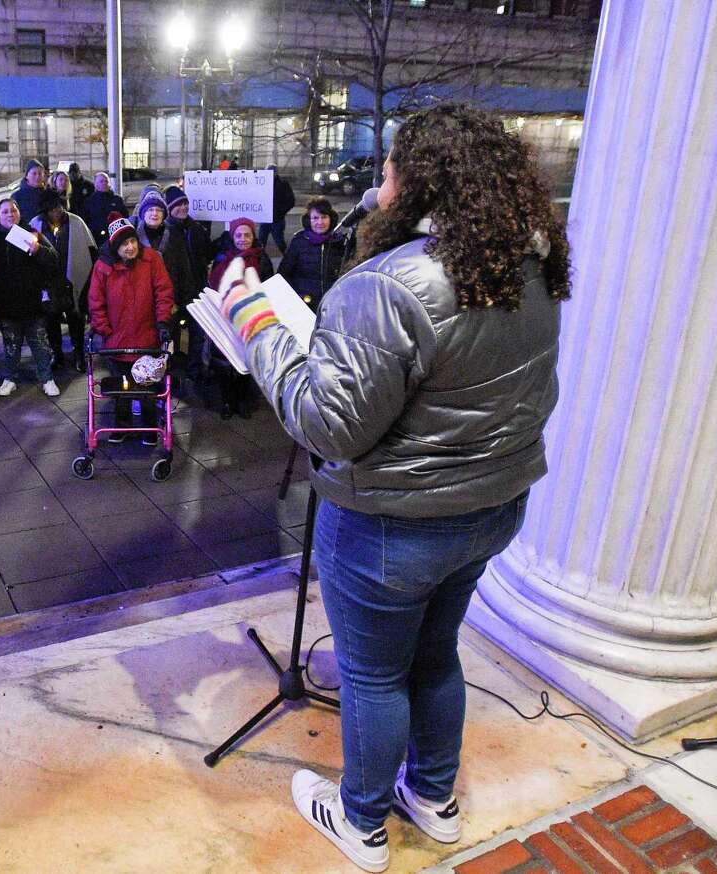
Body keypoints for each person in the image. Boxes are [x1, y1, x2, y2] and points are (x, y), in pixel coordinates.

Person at [216, 103, 569, 872]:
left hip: (391, 527)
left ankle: (362, 823)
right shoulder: (531, 262)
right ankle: (435, 802)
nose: (377, 181)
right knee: (436, 652)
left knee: (375, 675)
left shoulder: (391, 284)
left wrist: (257, 326)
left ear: (417, 181)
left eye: (387, 167)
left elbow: (327, 423)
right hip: (491, 507)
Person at [88, 214, 174, 445]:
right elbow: (96, 300)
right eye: (125, 244)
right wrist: (104, 329)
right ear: (116, 247)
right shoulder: (103, 267)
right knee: (121, 387)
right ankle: (122, 426)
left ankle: (149, 428)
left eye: (133, 241)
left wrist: (163, 322)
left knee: (147, 386)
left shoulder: (152, 260)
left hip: (147, 337)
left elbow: (163, 292)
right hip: (117, 339)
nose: (130, 247)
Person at [0, 198, 61, 397]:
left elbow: (54, 260)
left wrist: (38, 251)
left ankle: (47, 378)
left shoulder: (32, 234)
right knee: (11, 345)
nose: (10, 215)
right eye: (5, 212)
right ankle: (10, 378)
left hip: (33, 302)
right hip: (6, 304)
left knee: (39, 343)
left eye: (13, 211)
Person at [206, 217, 274, 419]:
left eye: (247, 235)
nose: (243, 239)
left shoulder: (262, 259)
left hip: (251, 318)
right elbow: (213, 285)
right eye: (238, 235)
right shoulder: (222, 258)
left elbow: (269, 286)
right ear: (232, 236)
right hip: (226, 317)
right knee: (224, 362)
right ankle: (228, 401)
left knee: (248, 361)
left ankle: (243, 400)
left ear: (253, 236)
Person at [30, 188, 97, 373]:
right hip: (49, 282)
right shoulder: (35, 224)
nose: (56, 211)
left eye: (59, 207)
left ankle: (79, 355)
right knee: (51, 321)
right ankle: (57, 355)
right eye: (52, 209)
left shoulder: (76, 221)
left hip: (73, 278)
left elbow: (91, 250)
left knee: (76, 319)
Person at [131, 190, 194, 354]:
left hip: (170, 303)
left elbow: (184, 270)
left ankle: (168, 376)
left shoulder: (175, 235)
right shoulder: (133, 239)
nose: (154, 213)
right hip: (141, 303)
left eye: (159, 210)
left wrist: (184, 302)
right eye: (150, 210)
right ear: (143, 213)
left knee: (169, 348)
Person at [164, 184, 213, 383]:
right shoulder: (166, 231)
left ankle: (194, 370)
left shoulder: (196, 228)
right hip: (175, 293)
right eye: (177, 205)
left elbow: (208, 253)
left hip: (197, 289)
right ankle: (173, 371)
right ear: (169, 208)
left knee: (197, 334)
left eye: (185, 203)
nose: (182, 208)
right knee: (172, 335)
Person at [277, 197, 349, 310]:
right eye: (315, 218)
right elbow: (283, 274)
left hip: (333, 306)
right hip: (304, 306)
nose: (320, 222)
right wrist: (297, 297)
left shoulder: (340, 242)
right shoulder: (298, 241)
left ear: (331, 219)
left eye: (324, 217)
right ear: (308, 220)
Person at [258, 164, 296, 256]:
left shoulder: (283, 184)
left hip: (277, 220)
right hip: (265, 219)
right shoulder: (261, 183)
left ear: (275, 173)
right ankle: (259, 261)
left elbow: (291, 201)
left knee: (280, 243)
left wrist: (280, 212)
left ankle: (288, 260)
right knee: (260, 244)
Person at [81, 171, 126, 246]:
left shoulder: (117, 199)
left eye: (106, 181)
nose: (105, 183)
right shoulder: (89, 201)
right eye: (101, 181)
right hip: (96, 237)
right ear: (96, 184)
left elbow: (124, 216)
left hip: (115, 235)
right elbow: (86, 219)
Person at [12, 158, 47, 224]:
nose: (37, 177)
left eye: (40, 174)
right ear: (27, 175)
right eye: (34, 173)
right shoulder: (17, 196)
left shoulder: (48, 195)